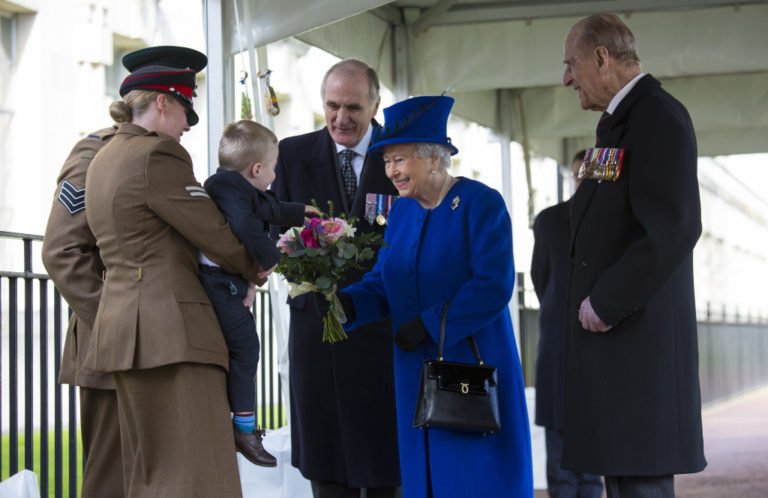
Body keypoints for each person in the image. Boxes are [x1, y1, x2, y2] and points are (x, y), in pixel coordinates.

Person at [83, 46, 266, 497]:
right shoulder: (159, 155)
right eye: (185, 108)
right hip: (173, 335)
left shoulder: (104, 155)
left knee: (153, 475)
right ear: (162, 101)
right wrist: (255, 267)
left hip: (127, 334)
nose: (187, 124)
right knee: (199, 477)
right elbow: (213, 230)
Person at [338, 95, 534, 498]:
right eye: (387, 161)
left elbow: (492, 283)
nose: (391, 171)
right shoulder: (402, 213)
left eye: (400, 160)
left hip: (470, 365)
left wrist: (430, 323)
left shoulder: (481, 203)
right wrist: (349, 303)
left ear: (432, 158)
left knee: (473, 478)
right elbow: (384, 279)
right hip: (414, 367)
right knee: (424, 480)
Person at [561, 14, 706, 498]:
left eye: (571, 64)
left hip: (635, 345)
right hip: (614, 349)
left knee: (640, 485)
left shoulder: (657, 117)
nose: (566, 78)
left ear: (602, 58)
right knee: (621, 482)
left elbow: (675, 228)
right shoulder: (615, 127)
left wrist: (605, 300)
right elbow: (598, 218)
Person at [270, 58, 401, 498]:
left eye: (353, 108)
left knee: (384, 460)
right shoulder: (290, 154)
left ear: (376, 105)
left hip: (382, 330)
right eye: (332, 106)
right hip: (316, 329)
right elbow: (270, 228)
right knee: (326, 461)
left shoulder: (400, 154)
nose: (340, 118)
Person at [199, 119, 318, 467]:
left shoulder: (237, 186)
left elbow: (269, 208)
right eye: (273, 168)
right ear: (256, 168)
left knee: (243, 347)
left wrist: (303, 212)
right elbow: (246, 224)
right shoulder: (227, 189)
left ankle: (242, 423)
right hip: (219, 283)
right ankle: (243, 428)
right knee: (246, 346)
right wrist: (270, 260)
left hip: (230, 282)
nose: (276, 175)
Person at [41, 125, 124, 497]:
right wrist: (115, 321)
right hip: (109, 345)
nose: (188, 124)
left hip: (151, 342)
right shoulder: (96, 154)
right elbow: (62, 252)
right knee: (110, 478)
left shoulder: (150, 154)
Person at [531, 149, 603, 498]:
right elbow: (541, 279)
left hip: (566, 341)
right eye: (580, 175)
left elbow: (540, 280)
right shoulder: (550, 221)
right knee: (574, 457)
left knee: (579, 458)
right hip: (572, 342)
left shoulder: (551, 220)